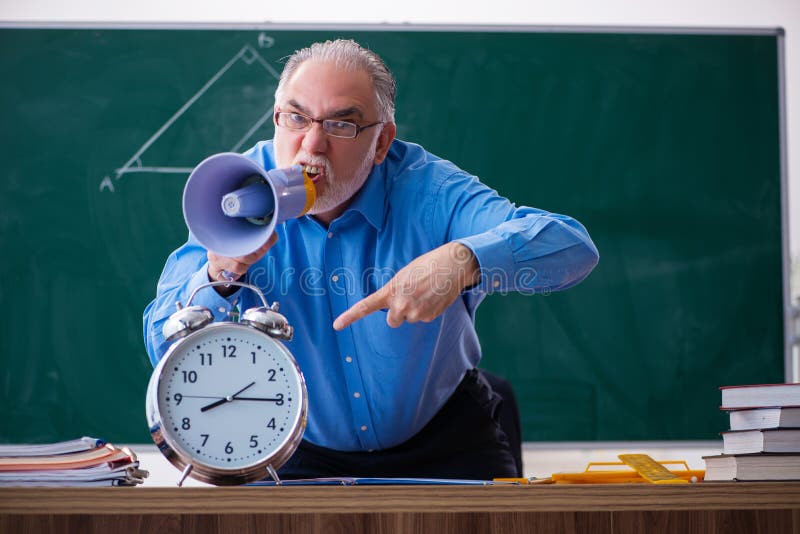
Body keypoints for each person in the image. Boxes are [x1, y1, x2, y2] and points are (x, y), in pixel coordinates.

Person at [143, 39, 599, 480]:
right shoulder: (236, 190)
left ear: (382, 142)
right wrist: (220, 274)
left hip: (446, 439)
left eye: (341, 125)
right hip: (293, 447)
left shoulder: (432, 190)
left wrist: (465, 260)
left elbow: (574, 249)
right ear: (276, 119)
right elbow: (162, 347)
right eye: (296, 118)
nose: (312, 145)